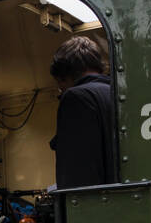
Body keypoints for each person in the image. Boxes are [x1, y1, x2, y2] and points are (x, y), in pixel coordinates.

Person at [48, 36, 115, 189]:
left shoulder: (75, 97)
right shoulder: (117, 92)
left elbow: (77, 173)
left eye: (60, 86)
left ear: (62, 76)